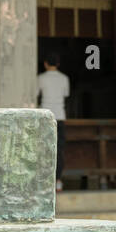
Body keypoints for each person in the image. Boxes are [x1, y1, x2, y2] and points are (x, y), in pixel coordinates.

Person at [36, 52, 70, 191]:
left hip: (45, 116)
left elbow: (35, 93)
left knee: (44, 149)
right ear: (58, 64)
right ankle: (58, 181)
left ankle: (44, 182)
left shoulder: (40, 78)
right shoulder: (64, 78)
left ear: (45, 63)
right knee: (59, 149)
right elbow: (66, 94)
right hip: (60, 116)